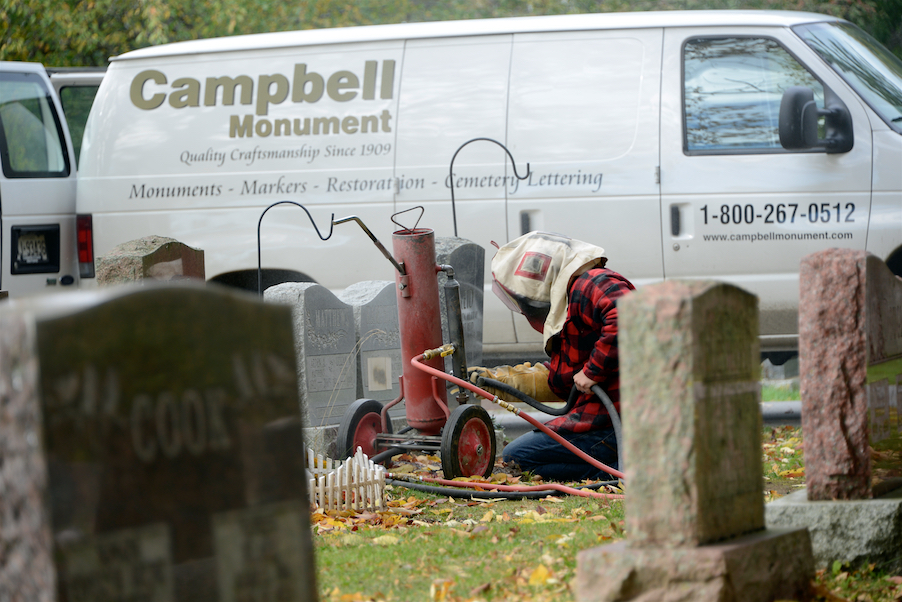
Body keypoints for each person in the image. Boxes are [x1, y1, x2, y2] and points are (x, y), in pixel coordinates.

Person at [474, 231, 634, 481]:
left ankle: (629, 469)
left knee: (519, 456)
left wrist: (593, 371)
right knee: (519, 458)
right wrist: (497, 382)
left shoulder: (591, 281)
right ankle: (623, 467)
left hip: (625, 420)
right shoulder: (571, 303)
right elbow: (565, 380)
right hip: (608, 420)